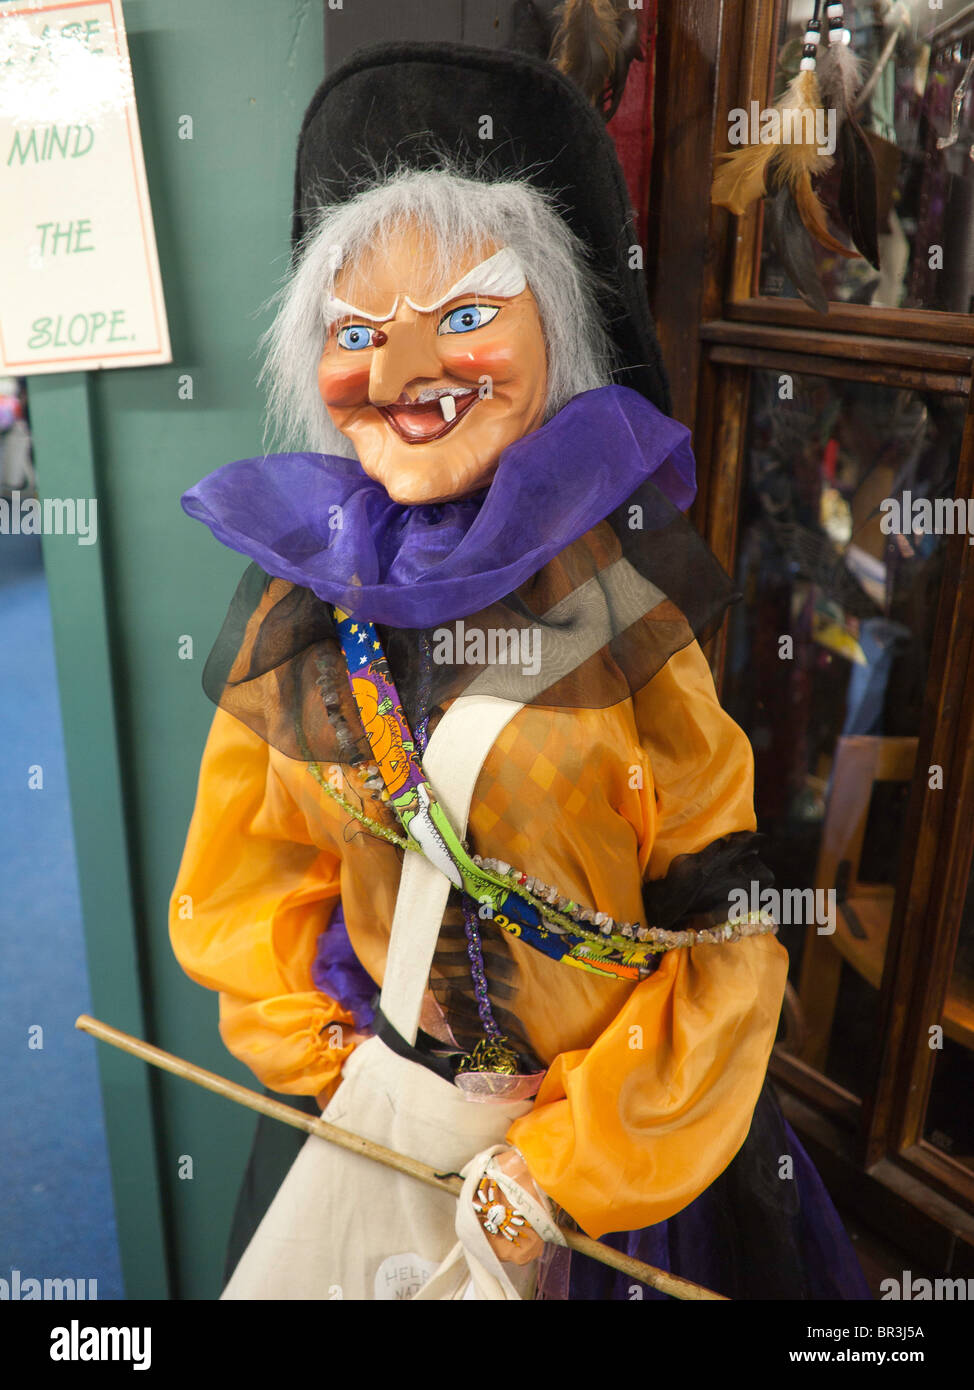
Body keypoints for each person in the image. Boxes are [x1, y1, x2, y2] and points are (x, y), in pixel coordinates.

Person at [170, 41, 870, 1300]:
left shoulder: (622, 606)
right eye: (356, 331)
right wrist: (354, 1068)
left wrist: (566, 1164)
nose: (400, 375)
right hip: (382, 1135)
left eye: (466, 315)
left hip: (601, 1184)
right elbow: (247, 883)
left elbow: (724, 923)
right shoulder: (305, 607)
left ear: (554, 319)